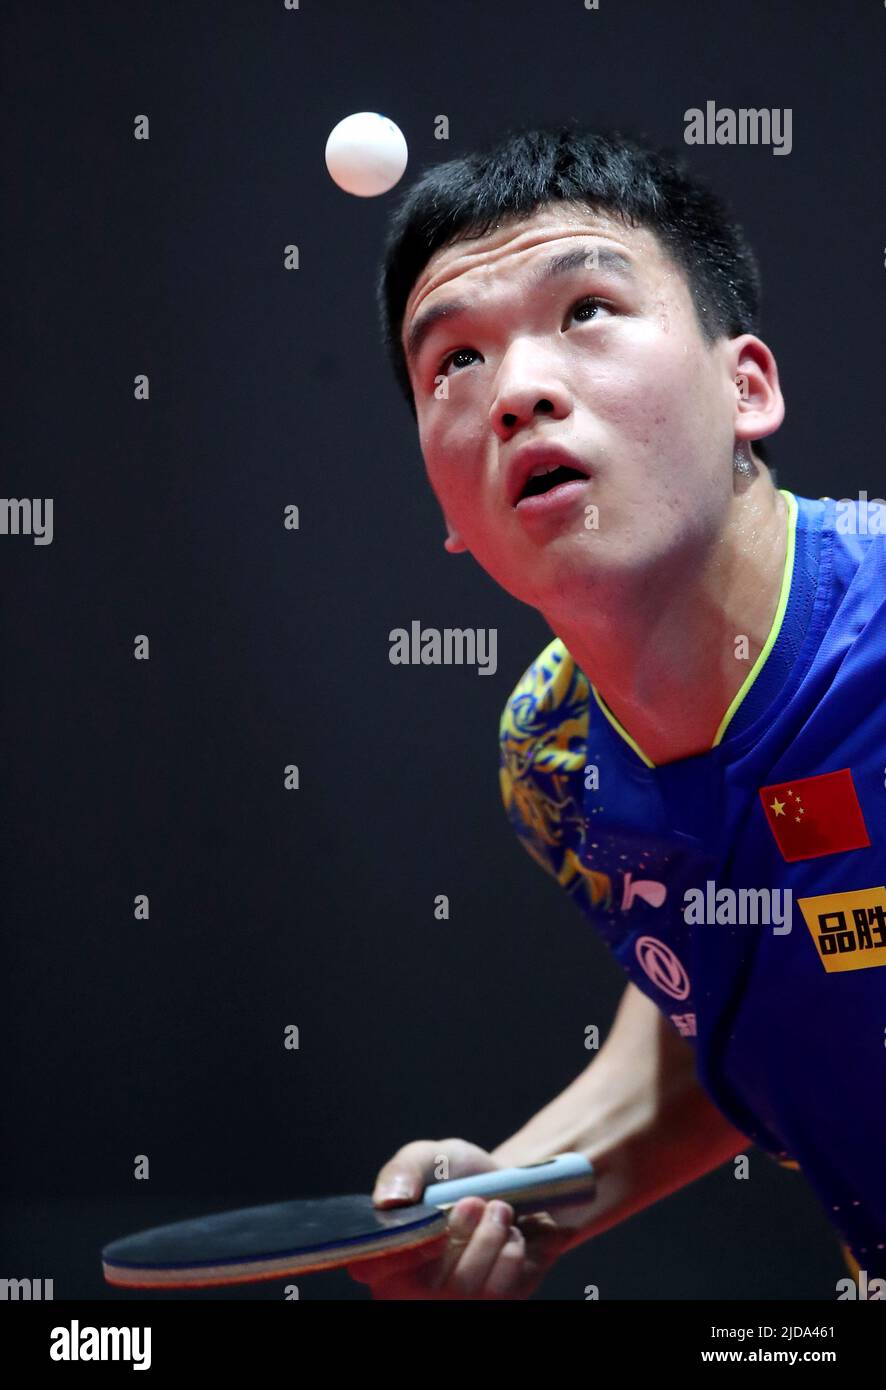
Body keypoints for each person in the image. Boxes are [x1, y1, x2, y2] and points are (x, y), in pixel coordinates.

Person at [348, 123, 886, 1299]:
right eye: (453, 364)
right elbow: (740, 991)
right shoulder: (551, 753)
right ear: (447, 509)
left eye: (584, 309)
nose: (517, 391)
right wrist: (514, 1192)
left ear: (746, 385)